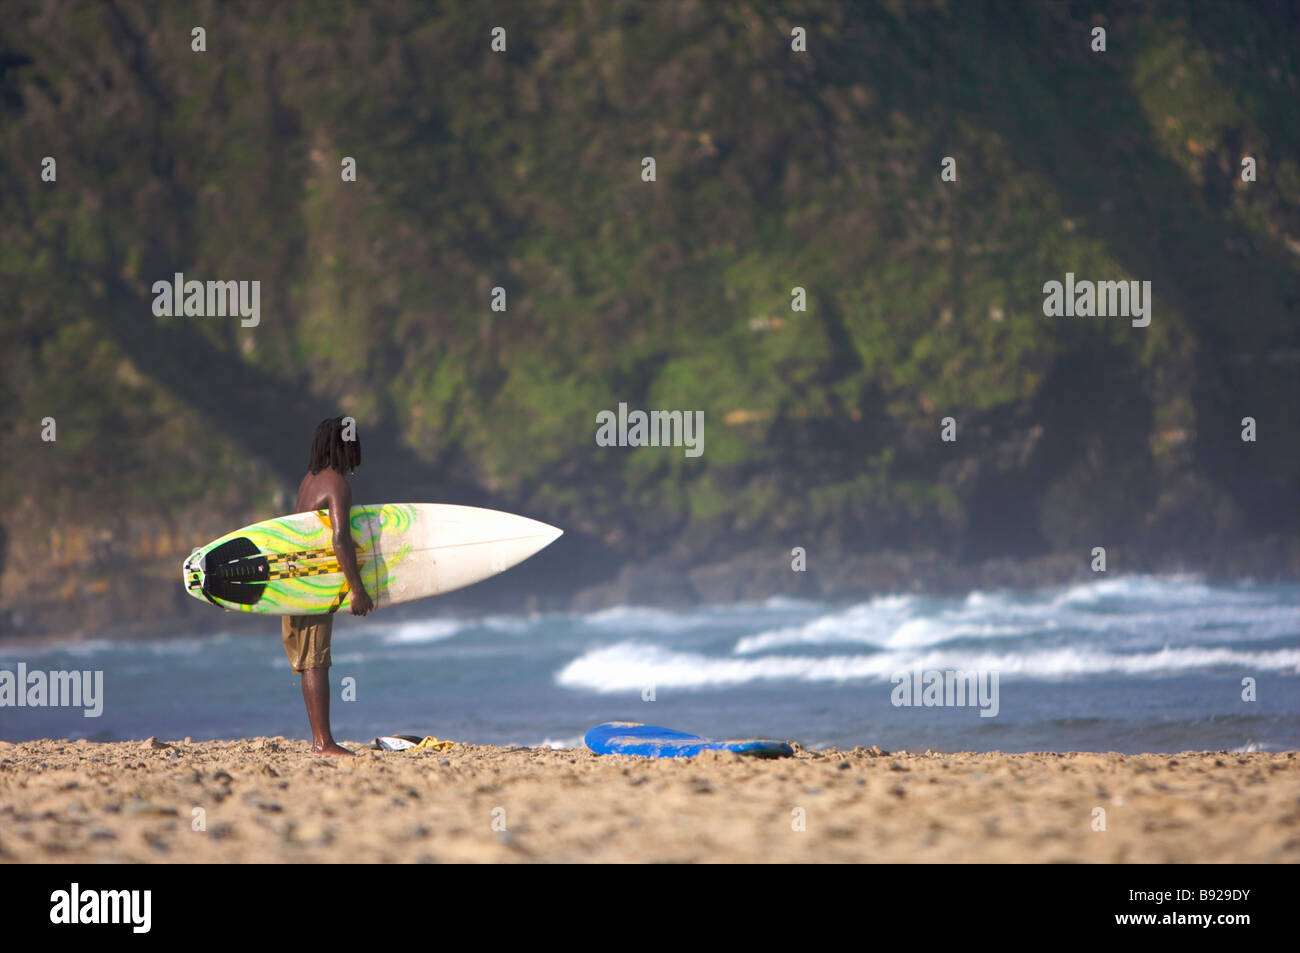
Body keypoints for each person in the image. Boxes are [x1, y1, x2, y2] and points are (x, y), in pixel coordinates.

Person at [282, 416, 374, 755]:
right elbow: (339, 539)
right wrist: (357, 589)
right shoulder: (336, 485)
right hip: (313, 585)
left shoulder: (309, 480)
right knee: (317, 659)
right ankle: (324, 742)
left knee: (310, 661)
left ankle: (320, 740)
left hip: (294, 581)